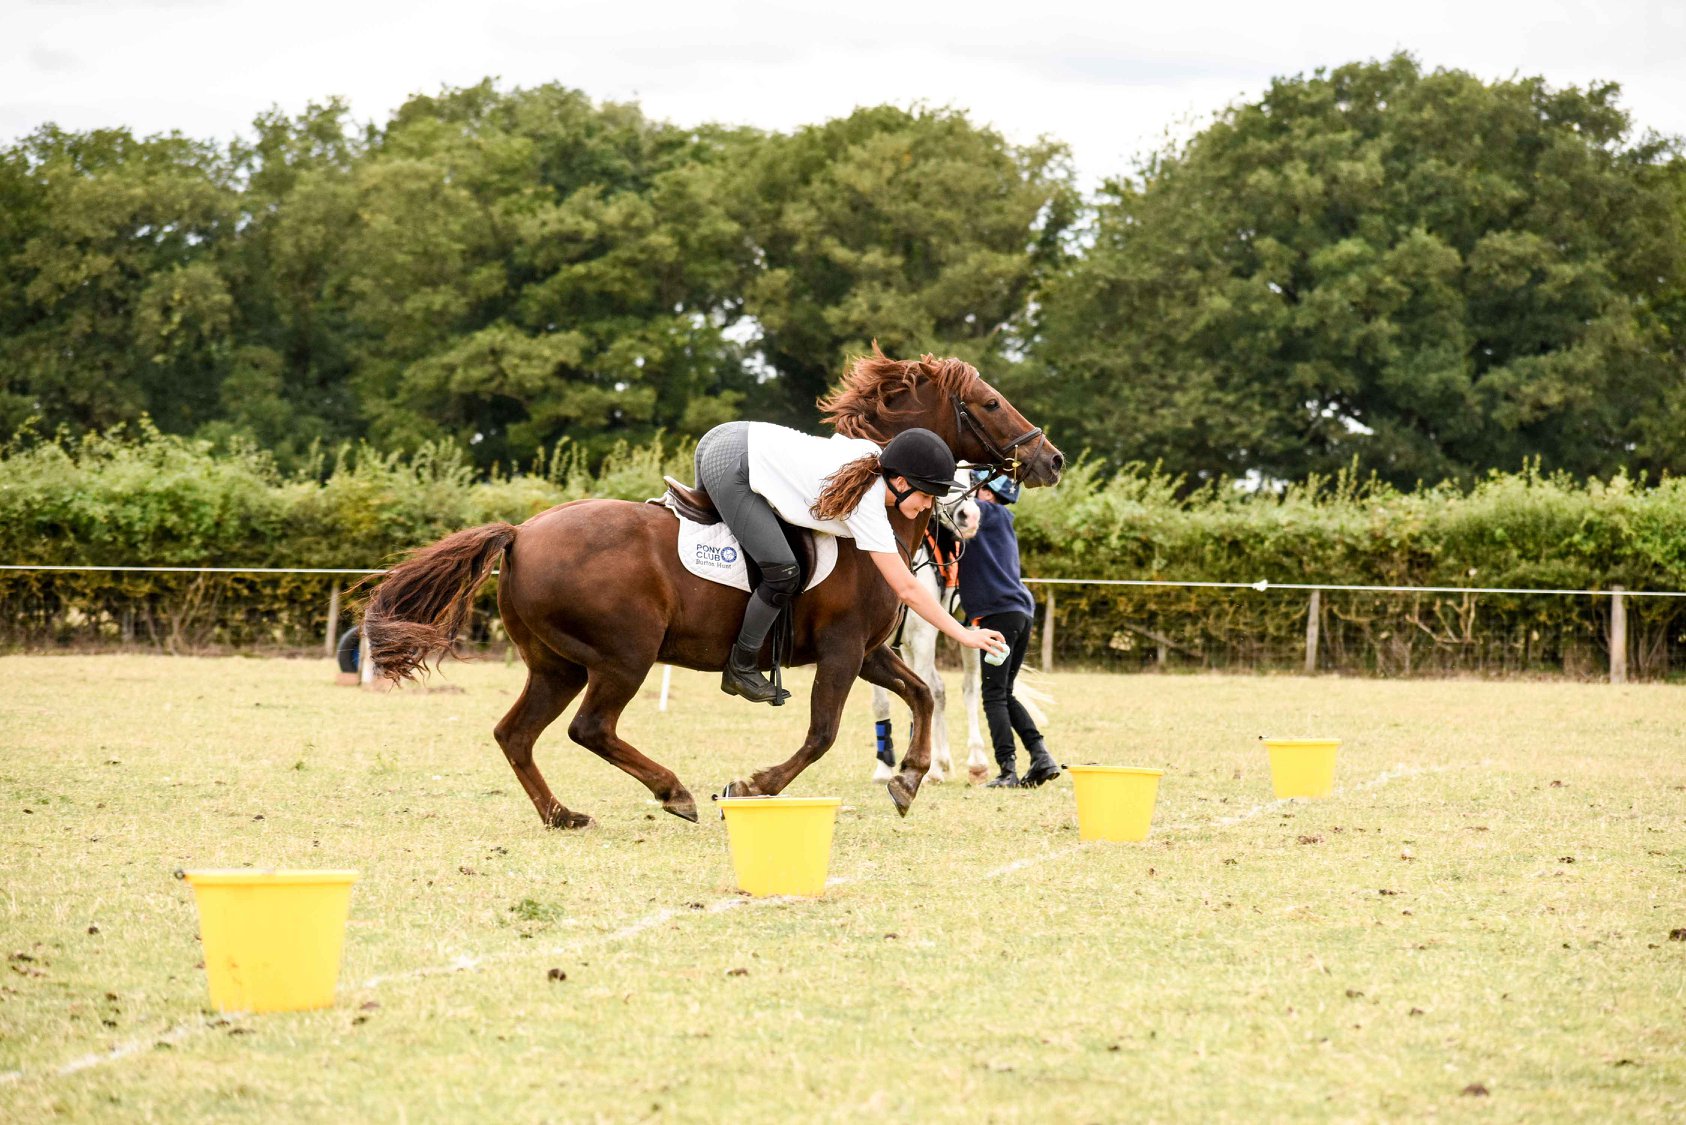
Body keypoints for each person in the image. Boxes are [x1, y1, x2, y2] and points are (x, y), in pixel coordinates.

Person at [693, 422, 1009, 705]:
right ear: (900, 483)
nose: (928, 506)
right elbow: (907, 588)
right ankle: (742, 665)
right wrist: (964, 634)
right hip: (731, 461)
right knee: (783, 570)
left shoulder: (871, 457)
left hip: (729, 435)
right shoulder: (866, 503)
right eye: (926, 496)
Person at [957, 468, 1059, 788]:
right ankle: (1041, 756)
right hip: (1019, 614)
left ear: (988, 493)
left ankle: (1007, 770)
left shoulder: (982, 511)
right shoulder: (1003, 519)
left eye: (975, 486)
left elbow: (962, 514)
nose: (970, 491)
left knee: (992, 695)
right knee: (1006, 691)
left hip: (998, 617)